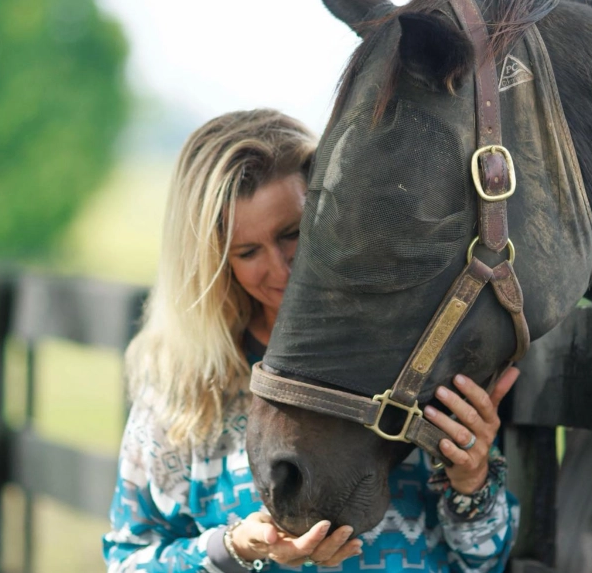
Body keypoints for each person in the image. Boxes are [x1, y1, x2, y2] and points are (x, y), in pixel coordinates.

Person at [103, 109, 521, 572]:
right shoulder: (181, 391)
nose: (281, 270)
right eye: (247, 252)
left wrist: (473, 481)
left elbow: (484, 562)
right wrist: (236, 549)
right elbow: (129, 560)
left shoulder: (408, 362)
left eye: (293, 234)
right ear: (213, 262)